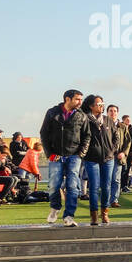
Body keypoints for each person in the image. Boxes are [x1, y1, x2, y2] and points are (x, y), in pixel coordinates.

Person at [39, 88, 90, 226]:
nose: (80, 102)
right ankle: (55, 207)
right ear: (67, 99)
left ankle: (69, 216)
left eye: (81, 99)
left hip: (74, 155)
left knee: (73, 186)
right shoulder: (52, 113)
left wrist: (80, 154)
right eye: (77, 99)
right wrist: (50, 154)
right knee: (54, 185)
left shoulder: (82, 115)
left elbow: (87, 136)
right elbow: (44, 133)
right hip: (56, 155)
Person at [79, 94, 115, 225]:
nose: (102, 106)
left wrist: (112, 150)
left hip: (108, 158)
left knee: (106, 187)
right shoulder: (85, 120)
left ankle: (104, 213)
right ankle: (94, 216)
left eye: (102, 104)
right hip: (91, 159)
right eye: (99, 104)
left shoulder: (108, 120)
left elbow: (115, 137)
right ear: (91, 106)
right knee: (93, 187)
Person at [104, 104, 127, 210]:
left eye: (114, 111)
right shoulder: (103, 124)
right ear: (107, 112)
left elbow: (128, 141)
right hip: (107, 156)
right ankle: (106, 200)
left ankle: (114, 200)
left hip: (118, 157)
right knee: (107, 180)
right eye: (110, 111)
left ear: (117, 113)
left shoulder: (122, 126)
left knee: (116, 180)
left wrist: (124, 152)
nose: (113, 113)